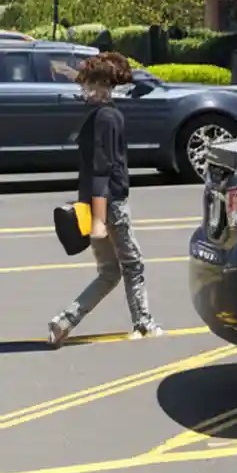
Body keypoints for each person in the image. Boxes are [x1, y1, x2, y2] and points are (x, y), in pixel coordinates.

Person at [47, 51, 163, 347]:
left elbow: (142, 82)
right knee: (132, 264)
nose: (84, 89)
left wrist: (71, 71)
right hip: (109, 204)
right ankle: (144, 324)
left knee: (109, 271)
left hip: (90, 201)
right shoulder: (109, 117)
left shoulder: (93, 115)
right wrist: (99, 220)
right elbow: (102, 167)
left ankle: (65, 321)